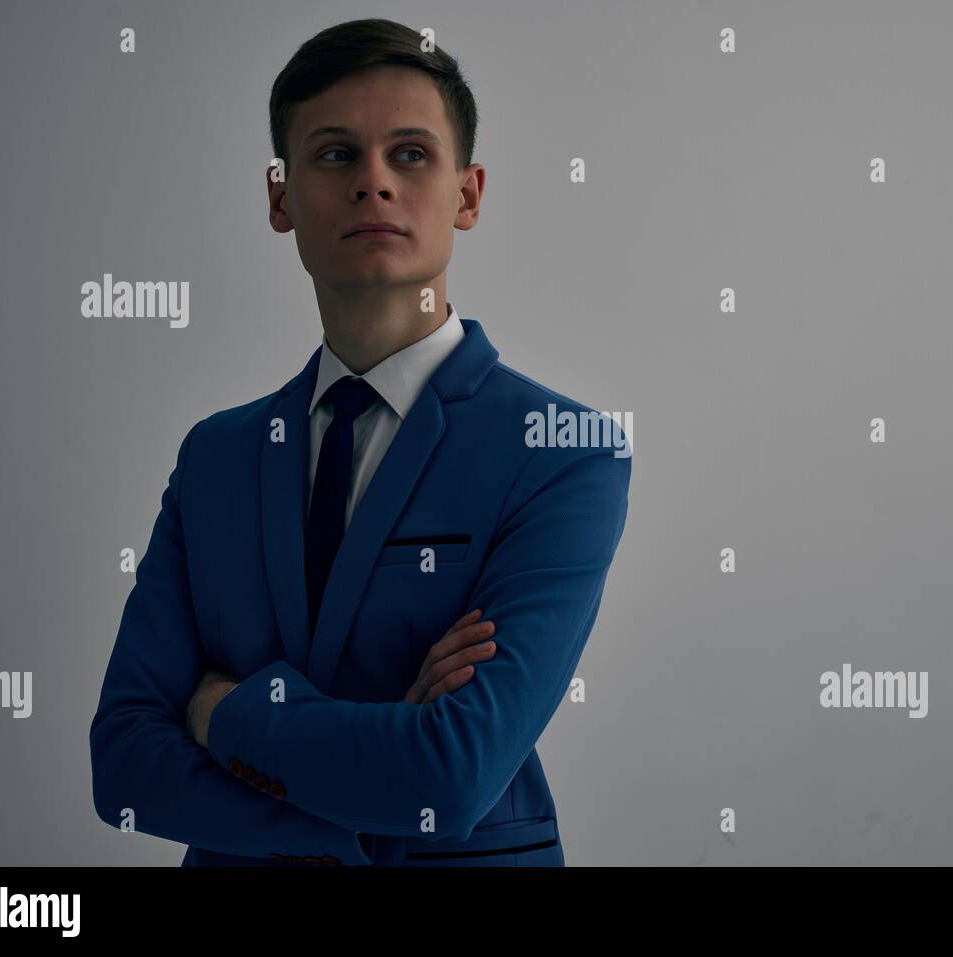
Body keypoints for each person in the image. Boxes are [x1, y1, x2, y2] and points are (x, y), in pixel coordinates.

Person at [89, 18, 631, 867]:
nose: (373, 182)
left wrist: (217, 714)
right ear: (281, 196)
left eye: (410, 154)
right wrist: (370, 792)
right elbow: (123, 764)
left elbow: (448, 776)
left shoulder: (563, 451)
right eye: (336, 154)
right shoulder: (215, 458)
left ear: (468, 194)